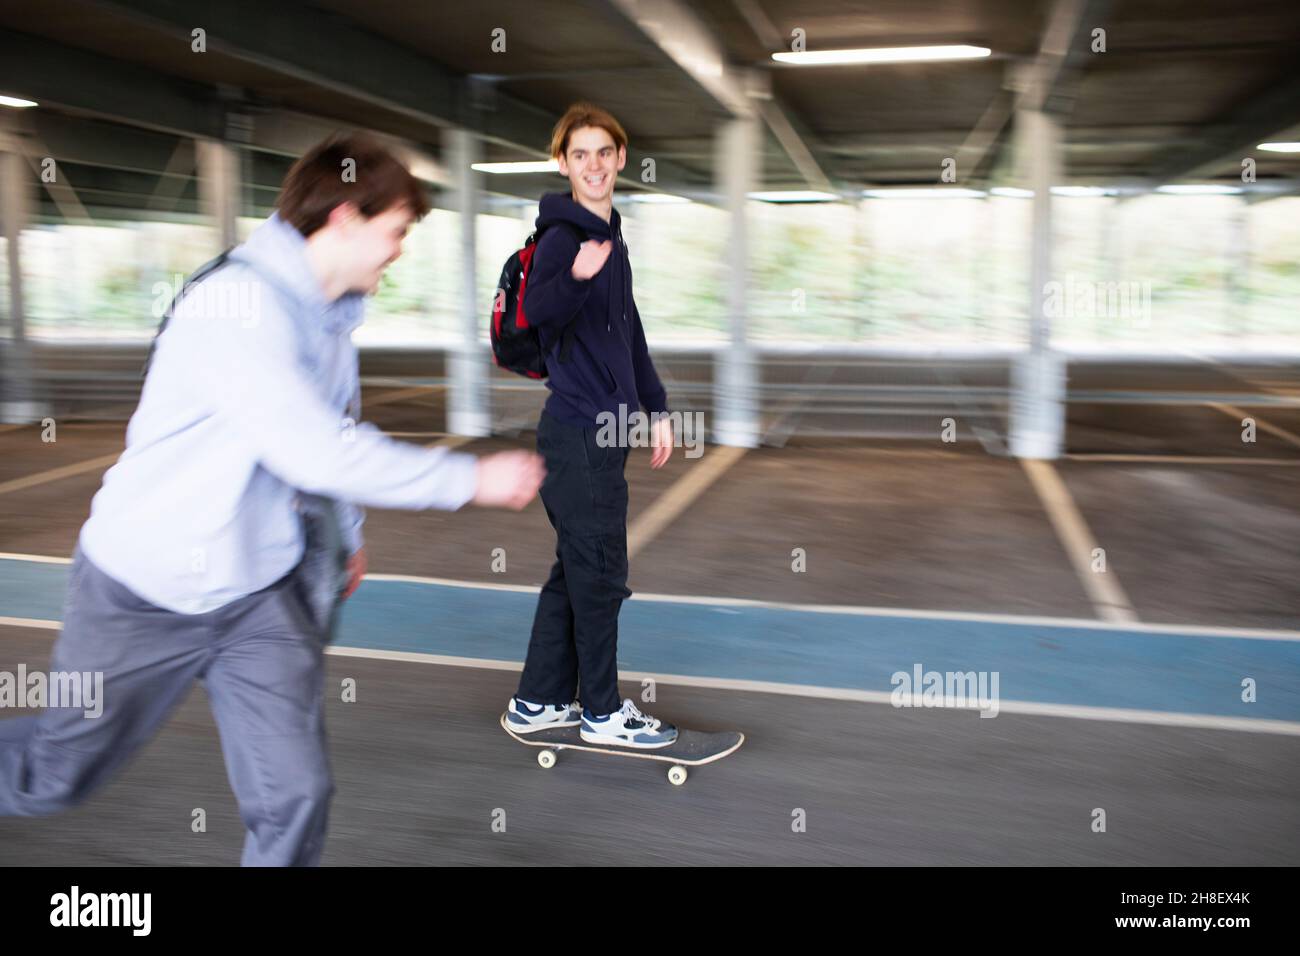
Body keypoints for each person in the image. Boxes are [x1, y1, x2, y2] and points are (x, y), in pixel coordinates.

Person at [0, 132, 544, 865]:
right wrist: (470, 480)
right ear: (346, 218)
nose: (399, 251)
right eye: (395, 233)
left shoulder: (329, 314)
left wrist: (346, 537)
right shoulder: (237, 305)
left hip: (258, 596)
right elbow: (312, 448)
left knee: (294, 796)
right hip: (142, 593)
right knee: (50, 776)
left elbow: (336, 430)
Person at [504, 103, 678, 749]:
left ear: (621, 158)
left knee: (575, 570)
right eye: (581, 154)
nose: (595, 164)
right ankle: (602, 712)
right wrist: (576, 277)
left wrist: (657, 410)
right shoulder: (561, 239)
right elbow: (539, 313)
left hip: (603, 433)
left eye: (604, 152)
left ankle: (538, 701)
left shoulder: (612, 240)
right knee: (600, 573)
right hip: (577, 431)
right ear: (563, 164)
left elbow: (628, 336)